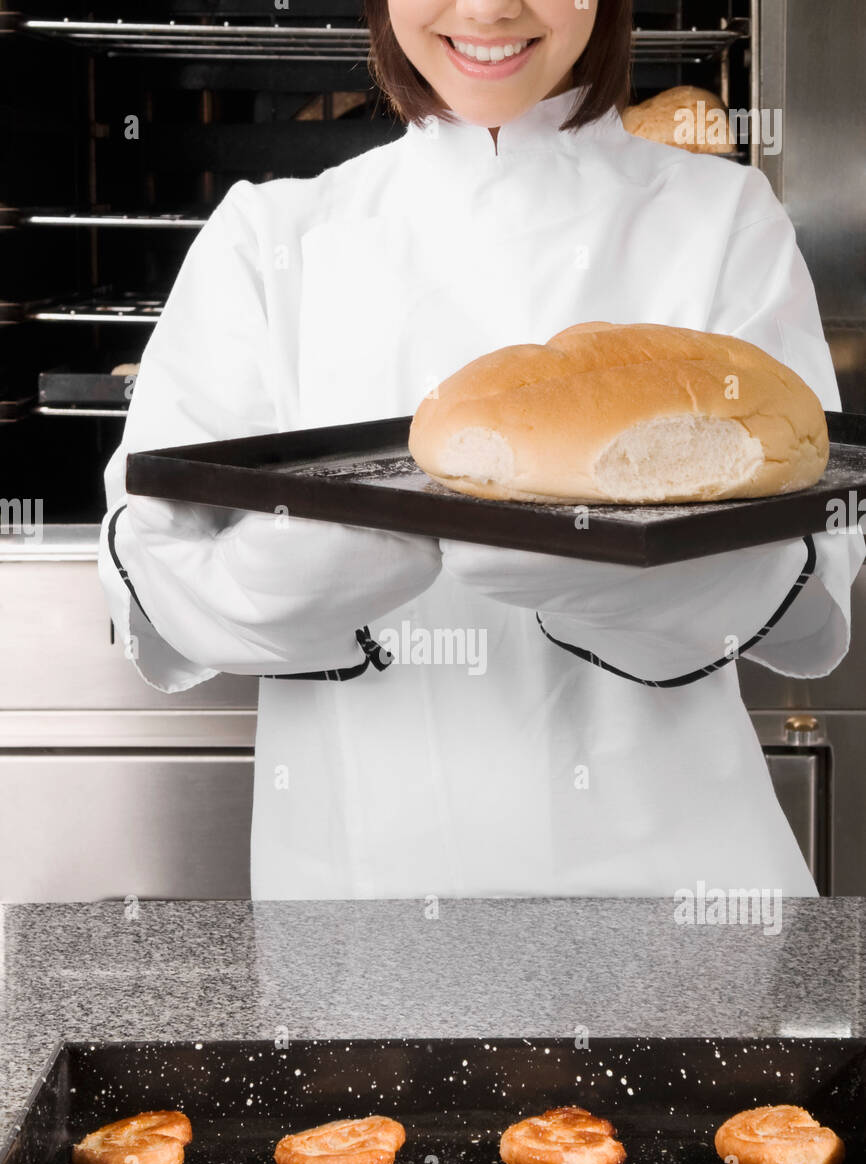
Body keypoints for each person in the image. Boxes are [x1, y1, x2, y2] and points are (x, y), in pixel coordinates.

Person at [99, 0, 864, 899]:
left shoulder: (724, 217)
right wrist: (274, 584)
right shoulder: (272, 239)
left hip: (680, 893)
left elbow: (817, 608)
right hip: (358, 904)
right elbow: (145, 587)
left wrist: (633, 576)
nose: (489, 8)